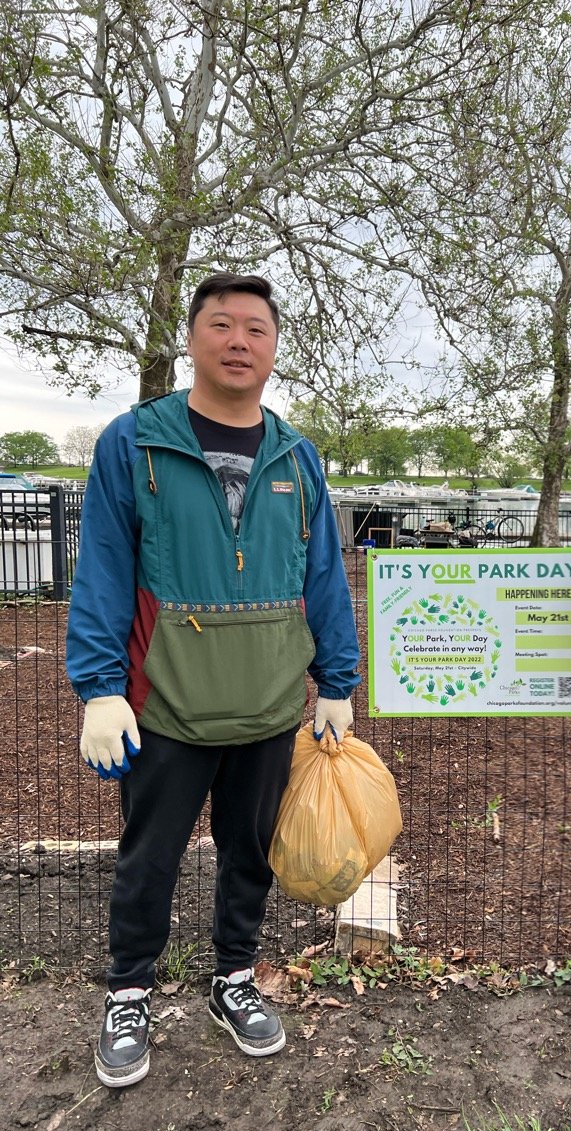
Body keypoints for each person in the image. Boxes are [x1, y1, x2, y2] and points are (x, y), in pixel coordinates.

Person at [66, 273, 361, 1088]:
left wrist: (336, 678)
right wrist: (98, 687)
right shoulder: (134, 443)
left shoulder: (297, 458)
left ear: (273, 348)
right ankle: (129, 993)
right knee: (148, 859)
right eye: (222, 325)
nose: (239, 341)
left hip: (269, 706)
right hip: (165, 706)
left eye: (256, 329)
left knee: (250, 855)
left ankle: (234, 979)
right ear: (192, 339)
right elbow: (100, 571)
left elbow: (324, 574)